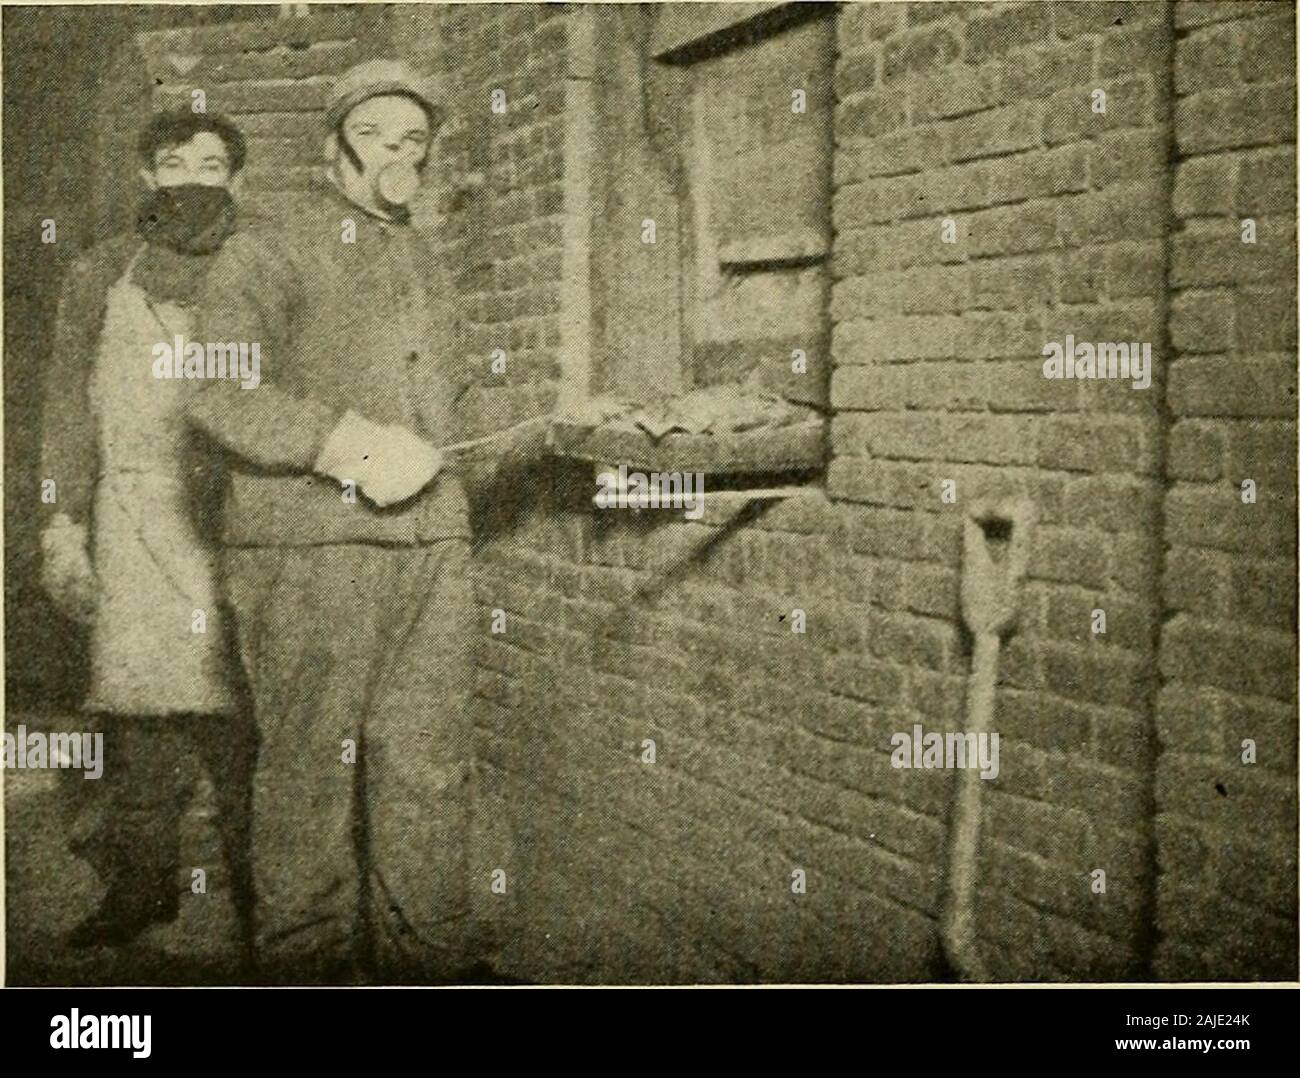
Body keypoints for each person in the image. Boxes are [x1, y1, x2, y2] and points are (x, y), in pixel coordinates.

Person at [187, 60, 496, 983]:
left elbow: (449, 402)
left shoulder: (425, 260)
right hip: (308, 545)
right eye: (373, 135)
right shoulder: (265, 252)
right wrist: (346, 445)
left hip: (431, 545)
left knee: (430, 762)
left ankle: (427, 960)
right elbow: (217, 391)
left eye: (413, 140)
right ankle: (304, 963)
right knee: (311, 766)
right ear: (332, 149)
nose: (396, 155)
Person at [38, 109, 256, 952]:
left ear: (237, 180)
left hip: (235, 511)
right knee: (135, 714)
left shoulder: (262, 264)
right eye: (173, 164)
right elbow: (68, 404)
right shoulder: (101, 272)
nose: (191, 180)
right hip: (132, 508)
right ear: (146, 177)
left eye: (211, 165)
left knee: (243, 710)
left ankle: (263, 892)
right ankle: (142, 884)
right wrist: (63, 522)